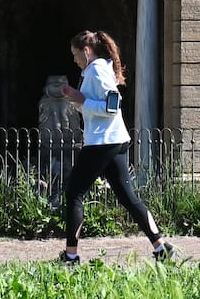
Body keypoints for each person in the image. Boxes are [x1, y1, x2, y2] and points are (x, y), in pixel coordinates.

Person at [57, 29, 175, 265]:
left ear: (86, 51)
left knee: (74, 193)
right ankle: (161, 247)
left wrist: (82, 101)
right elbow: (99, 104)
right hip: (115, 140)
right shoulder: (97, 68)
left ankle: (70, 257)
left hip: (103, 142)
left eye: (75, 54)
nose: (74, 59)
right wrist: (77, 96)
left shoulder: (97, 68)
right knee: (128, 197)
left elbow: (112, 104)